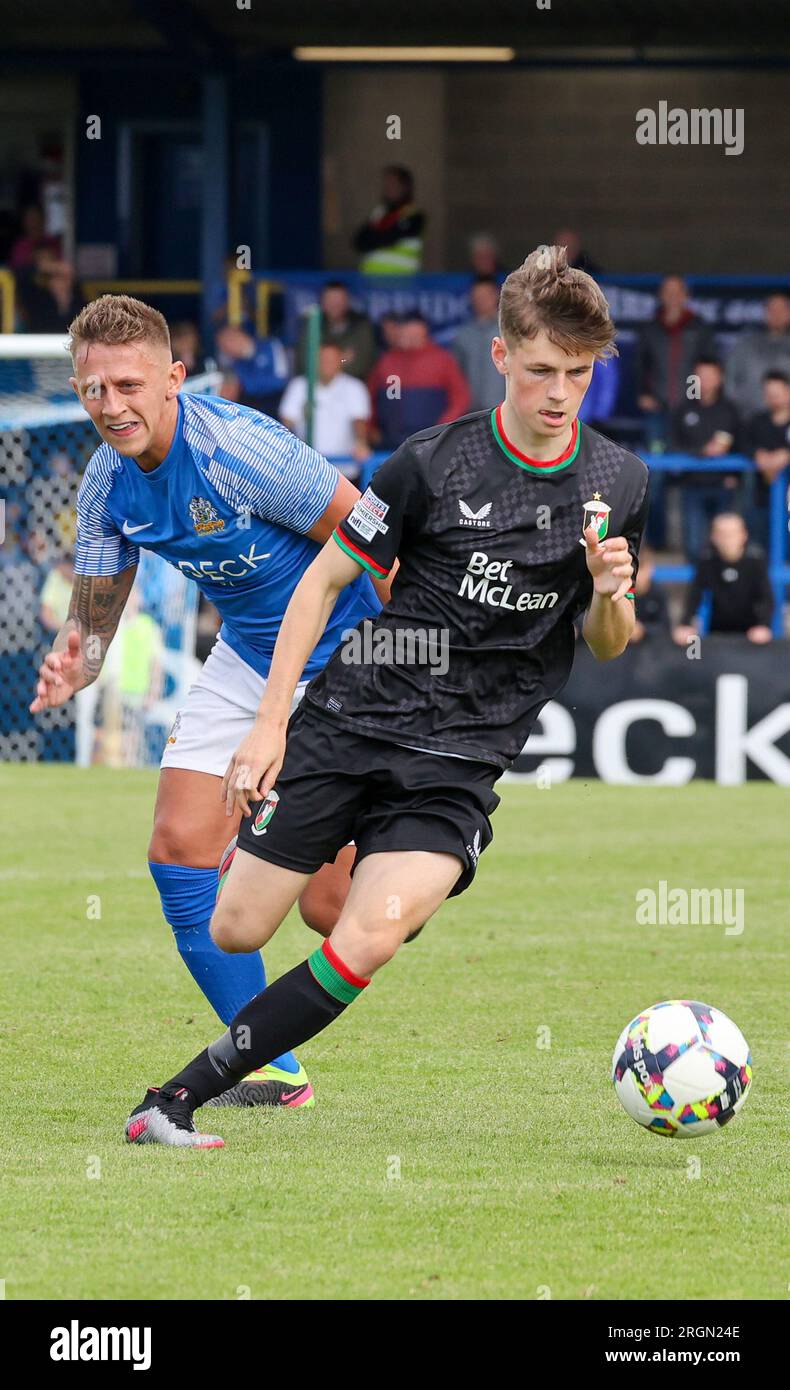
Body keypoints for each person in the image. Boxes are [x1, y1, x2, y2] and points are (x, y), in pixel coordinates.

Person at [121, 245, 649, 1147]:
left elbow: (609, 641)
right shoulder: (428, 463)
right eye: (540, 371)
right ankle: (311, 845)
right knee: (237, 926)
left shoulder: (619, 482)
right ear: (500, 356)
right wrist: (270, 726)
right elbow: (323, 582)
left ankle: (174, 1099)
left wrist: (608, 593)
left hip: (463, 761)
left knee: (369, 935)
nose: (560, 394)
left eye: (578, 373)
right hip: (353, 720)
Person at [30, 294, 387, 1111]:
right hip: (246, 656)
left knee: (332, 910)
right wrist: (79, 662)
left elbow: (373, 536)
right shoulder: (106, 481)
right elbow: (95, 611)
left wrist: (408, 666)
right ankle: (271, 1066)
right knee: (178, 848)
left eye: (129, 385)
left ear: (173, 379)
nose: (111, 405)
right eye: (93, 389)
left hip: (349, 658)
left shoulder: (241, 450)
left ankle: (410, 827)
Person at [670, 357, 742, 560]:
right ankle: (698, 582)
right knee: (694, 546)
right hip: (693, 484)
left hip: (723, 485)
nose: (705, 380)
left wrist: (735, 475)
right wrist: (702, 451)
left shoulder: (730, 410)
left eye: (710, 376)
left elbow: (743, 444)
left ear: (720, 378)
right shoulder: (684, 409)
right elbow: (672, 445)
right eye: (700, 375)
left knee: (725, 545)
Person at [367, 312, 471, 450]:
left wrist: (442, 429)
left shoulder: (442, 360)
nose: (406, 336)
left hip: (430, 444)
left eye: (412, 333)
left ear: (423, 332)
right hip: (390, 443)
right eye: (404, 332)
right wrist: (371, 428)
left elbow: (461, 398)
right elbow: (370, 398)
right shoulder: (387, 361)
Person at [673, 513, 773, 645]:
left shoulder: (755, 562)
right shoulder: (707, 561)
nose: (727, 540)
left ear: (744, 535)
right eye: (722, 535)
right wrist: (686, 624)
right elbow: (695, 594)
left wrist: (763, 625)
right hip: (717, 631)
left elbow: (766, 597)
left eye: (732, 534)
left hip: (751, 633)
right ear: (713, 537)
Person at [636, 276, 717, 438]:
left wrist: (699, 397)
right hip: (657, 406)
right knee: (656, 451)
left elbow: (708, 365)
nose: (673, 296)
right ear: (661, 295)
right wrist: (644, 394)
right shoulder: (650, 329)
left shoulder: (699, 327)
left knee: (691, 450)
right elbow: (640, 365)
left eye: (677, 292)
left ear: (686, 295)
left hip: (692, 405)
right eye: (668, 292)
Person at [280, 342, 371, 474]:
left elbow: (359, 421)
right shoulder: (299, 385)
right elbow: (286, 423)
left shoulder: (355, 387)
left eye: (331, 360)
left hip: (345, 469)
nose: (326, 364)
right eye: (322, 359)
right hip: (307, 469)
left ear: (340, 361)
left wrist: (361, 443)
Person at [743, 369, 790, 547]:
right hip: (762, 496)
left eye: (777, 393)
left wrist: (786, 455)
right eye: (769, 394)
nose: (773, 398)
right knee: (763, 545)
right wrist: (758, 454)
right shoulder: (757, 421)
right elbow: (743, 443)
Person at [294, 282, 377, 382]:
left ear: (347, 301)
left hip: (352, 386)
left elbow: (361, 363)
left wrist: (326, 362)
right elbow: (305, 361)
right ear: (322, 302)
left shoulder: (361, 325)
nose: (334, 304)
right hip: (317, 384)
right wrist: (342, 359)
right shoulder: (312, 324)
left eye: (338, 300)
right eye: (330, 299)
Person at [725, 294, 790, 420]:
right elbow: (730, 382)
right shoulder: (746, 346)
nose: (777, 314)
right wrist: (740, 408)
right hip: (749, 419)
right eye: (772, 309)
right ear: (764, 313)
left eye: (782, 309)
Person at [353, 166, 426, 275]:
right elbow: (359, 242)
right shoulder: (378, 213)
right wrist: (376, 237)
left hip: (400, 279)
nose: (388, 188)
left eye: (393, 184)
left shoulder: (414, 215)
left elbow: (388, 237)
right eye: (386, 184)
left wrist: (373, 236)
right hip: (370, 278)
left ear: (405, 187)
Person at [452, 277, 505, 412]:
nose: (481, 300)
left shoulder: (509, 330)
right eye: (477, 296)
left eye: (485, 296)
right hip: (472, 411)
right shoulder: (464, 334)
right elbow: (456, 376)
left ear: (497, 295)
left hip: (504, 409)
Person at [215, 323, 289, 417]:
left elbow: (281, 381)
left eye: (230, 340)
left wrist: (249, 383)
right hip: (251, 411)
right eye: (224, 346)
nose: (229, 347)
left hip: (278, 404)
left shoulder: (271, 345)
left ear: (240, 334)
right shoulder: (235, 364)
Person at [627, 546, 669, 643]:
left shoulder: (658, 592)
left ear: (650, 569)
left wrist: (643, 630)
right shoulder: (619, 593)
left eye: (641, 568)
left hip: (652, 648)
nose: (636, 574)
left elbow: (665, 627)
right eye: (632, 568)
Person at [8, 204, 61, 272]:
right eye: (30, 219)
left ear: (43, 220)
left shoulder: (53, 243)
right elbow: (15, 270)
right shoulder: (19, 247)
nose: (34, 223)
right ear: (24, 222)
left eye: (37, 218)